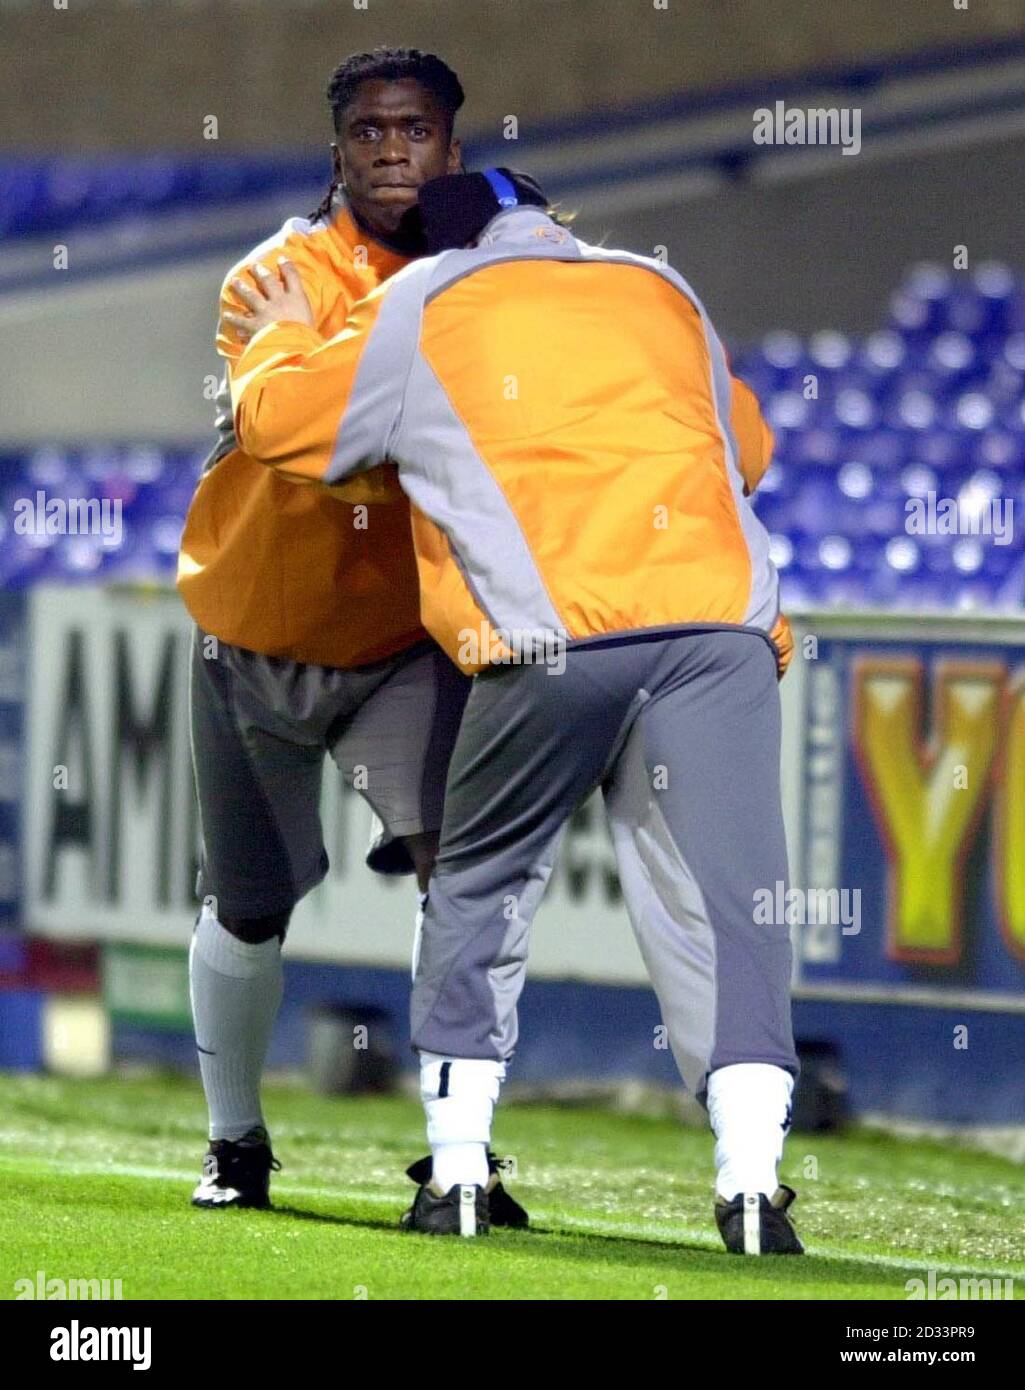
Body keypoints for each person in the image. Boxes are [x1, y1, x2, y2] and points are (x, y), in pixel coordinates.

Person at [222, 168, 801, 1255]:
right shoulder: (657, 286)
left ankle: (455, 1177)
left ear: (434, 241)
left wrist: (279, 336)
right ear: (553, 221)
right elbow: (750, 453)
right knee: (732, 909)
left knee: (480, 888)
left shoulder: (425, 297)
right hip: (713, 628)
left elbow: (280, 427)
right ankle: (753, 1187)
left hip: (545, 640)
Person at [178, 49, 524, 1226]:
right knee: (247, 909)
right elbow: (324, 448)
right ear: (337, 150)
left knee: (455, 871)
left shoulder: (484, 278)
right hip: (251, 631)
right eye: (369, 131)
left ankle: (458, 1158)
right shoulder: (266, 278)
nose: (390, 149)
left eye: (414, 131)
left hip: (398, 644)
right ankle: (235, 1142)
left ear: (449, 151)